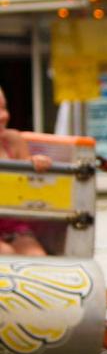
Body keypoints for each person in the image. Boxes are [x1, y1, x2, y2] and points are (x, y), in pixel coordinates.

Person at [0, 87, 51, 256]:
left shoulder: (13, 140)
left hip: (12, 225)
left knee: (37, 258)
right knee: (5, 253)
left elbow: (28, 183)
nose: (3, 116)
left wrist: (35, 163)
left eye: (4, 108)